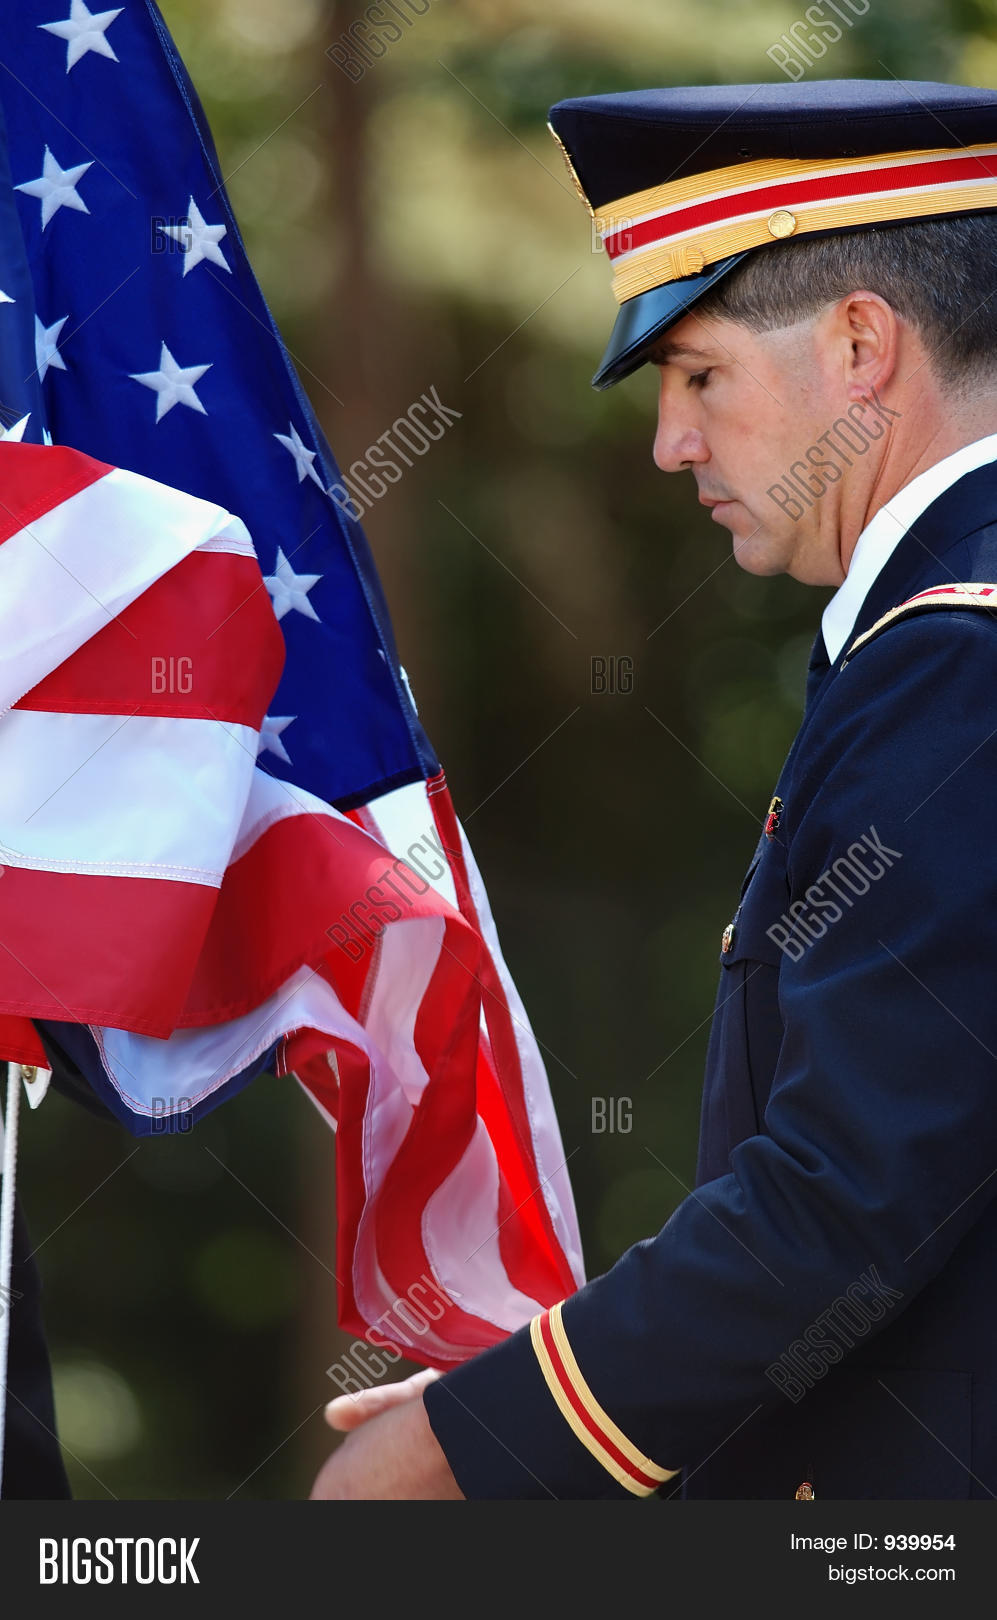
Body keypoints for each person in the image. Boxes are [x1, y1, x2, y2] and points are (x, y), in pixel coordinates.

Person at [309, 77, 997, 1500]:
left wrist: (463, 1448)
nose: (671, 444)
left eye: (698, 375)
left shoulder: (953, 660)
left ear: (860, 344)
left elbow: (843, 1212)